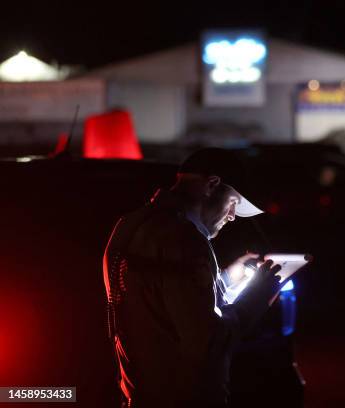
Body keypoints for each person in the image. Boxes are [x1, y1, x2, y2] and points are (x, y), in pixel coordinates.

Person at [103, 148, 282, 407]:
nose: (232, 216)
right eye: (233, 203)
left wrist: (226, 279)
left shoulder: (129, 225)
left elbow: (166, 301)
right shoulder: (183, 239)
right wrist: (257, 299)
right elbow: (208, 342)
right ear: (211, 185)